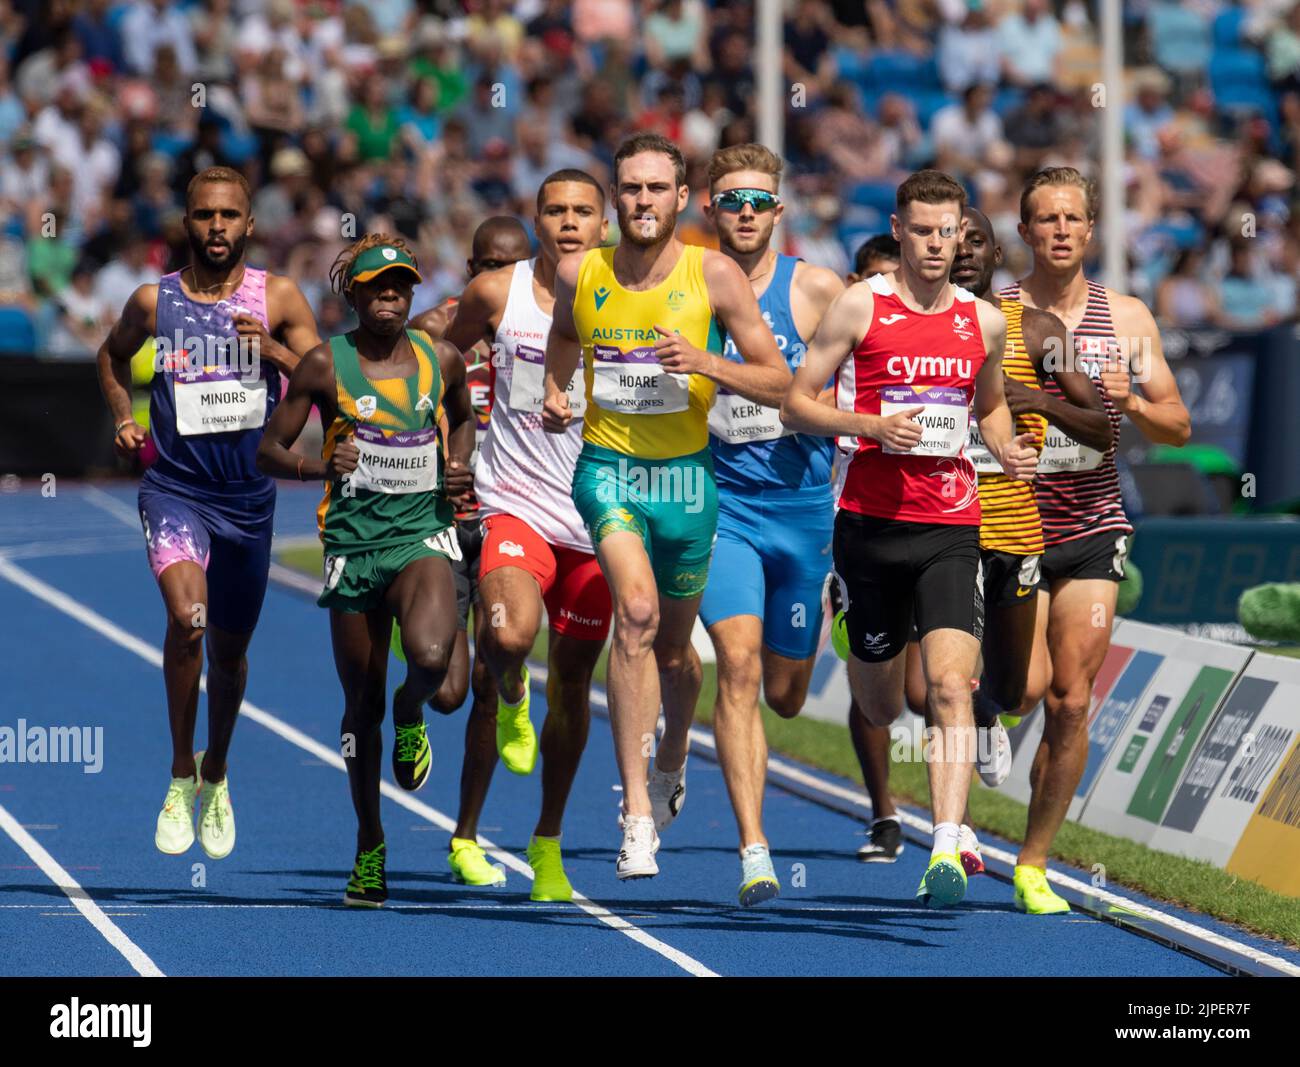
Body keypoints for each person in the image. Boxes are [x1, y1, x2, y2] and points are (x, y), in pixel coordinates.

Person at [782, 169, 1037, 908]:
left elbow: (988, 410)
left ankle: (947, 841)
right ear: (897, 230)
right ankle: (854, 629)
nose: (934, 244)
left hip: (951, 524)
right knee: (883, 704)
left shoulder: (983, 322)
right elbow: (800, 404)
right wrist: (868, 426)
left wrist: (1009, 445)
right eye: (920, 230)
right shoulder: (862, 305)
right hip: (868, 527)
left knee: (953, 685)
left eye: (946, 231)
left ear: (962, 233)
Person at [542, 132, 791, 879]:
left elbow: (780, 382)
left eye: (657, 189)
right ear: (614, 198)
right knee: (638, 616)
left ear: (682, 199)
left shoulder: (712, 274)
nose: (642, 201)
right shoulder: (579, 272)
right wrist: (557, 393)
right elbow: (561, 338)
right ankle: (635, 816)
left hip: (687, 481)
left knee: (680, 654)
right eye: (631, 189)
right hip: (609, 470)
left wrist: (706, 362)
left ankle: (674, 751)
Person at [854, 206, 1112, 869]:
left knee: (1020, 689)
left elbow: (1101, 429)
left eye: (974, 240)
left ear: (997, 253)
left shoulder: (1029, 328)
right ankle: (955, 830)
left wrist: (1039, 400)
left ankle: (992, 716)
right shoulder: (914, 324)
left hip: (1017, 529)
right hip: (943, 526)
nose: (961, 250)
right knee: (936, 689)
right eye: (950, 238)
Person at [96, 165, 321, 860]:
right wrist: (124, 417)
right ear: (185, 223)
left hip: (248, 501)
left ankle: (217, 769)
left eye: (229, 216)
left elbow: (325, 378)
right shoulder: (152, 302)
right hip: (176, 490)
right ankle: (177, 772)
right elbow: (110, 357)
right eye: (204, 216)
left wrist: (275, 351)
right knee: (185, 621)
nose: (216, 228)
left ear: (249, 224)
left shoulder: (278, 295)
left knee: (228, 653)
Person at [257, 235, 475, 908]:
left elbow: (463, 418)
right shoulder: (325, 365)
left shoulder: (441, 358)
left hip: (421, 535)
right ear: (352, 294)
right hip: (352, 547)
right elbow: (269, 447)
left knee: (435, 665)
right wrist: (316, 466)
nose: (391, 295)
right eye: (378, 286)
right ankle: (370, 844)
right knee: (360, 707)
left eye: (402, 285)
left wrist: (459, 463)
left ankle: (413, 713)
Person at [1003, 167, 1189, 914]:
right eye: (1044, 219)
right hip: (1010, 523)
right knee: (1019, 690)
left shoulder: (1130, 319)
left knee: (1072, 701)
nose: (1059, 230)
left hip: (1091, 524)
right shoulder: (996, 312)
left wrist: (1132, 399)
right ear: (1024, 231)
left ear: (1090, 228)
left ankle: (1033, 862)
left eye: (1072, 218)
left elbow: (1176, 423)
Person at [432, 170, 614, 899]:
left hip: (601, 522)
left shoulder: (632, 301)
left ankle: (547, 844)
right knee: (507, 639)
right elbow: (437, 358)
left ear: (604, 224)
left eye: (583, 211)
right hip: (514, 504)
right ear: (536, 218)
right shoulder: (495, 292)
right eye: (555, 210)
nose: (568, 222)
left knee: (571, 688)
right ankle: (511, 694)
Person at [698, 143, 844, 905]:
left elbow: (857, 379)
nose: (747, 214)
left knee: (786, 694)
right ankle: (754, 846)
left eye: (759, 202)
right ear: (709, 208)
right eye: (733, 201)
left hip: (803, 508)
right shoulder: (684, 284)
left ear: (779, 212)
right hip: (724, 504)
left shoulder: (818, 289)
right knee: (740, 665)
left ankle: (828, 604)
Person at [405, 218, 532, 728]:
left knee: (497, 659)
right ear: (471, 271)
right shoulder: (432, 331)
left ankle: (512, 700)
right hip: (444, 515)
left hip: (510, 510)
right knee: (448, 693)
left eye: (515, 268)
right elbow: (396, 419)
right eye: (492, 268)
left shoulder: (549, 325)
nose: (502, 278)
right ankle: (413, 637)